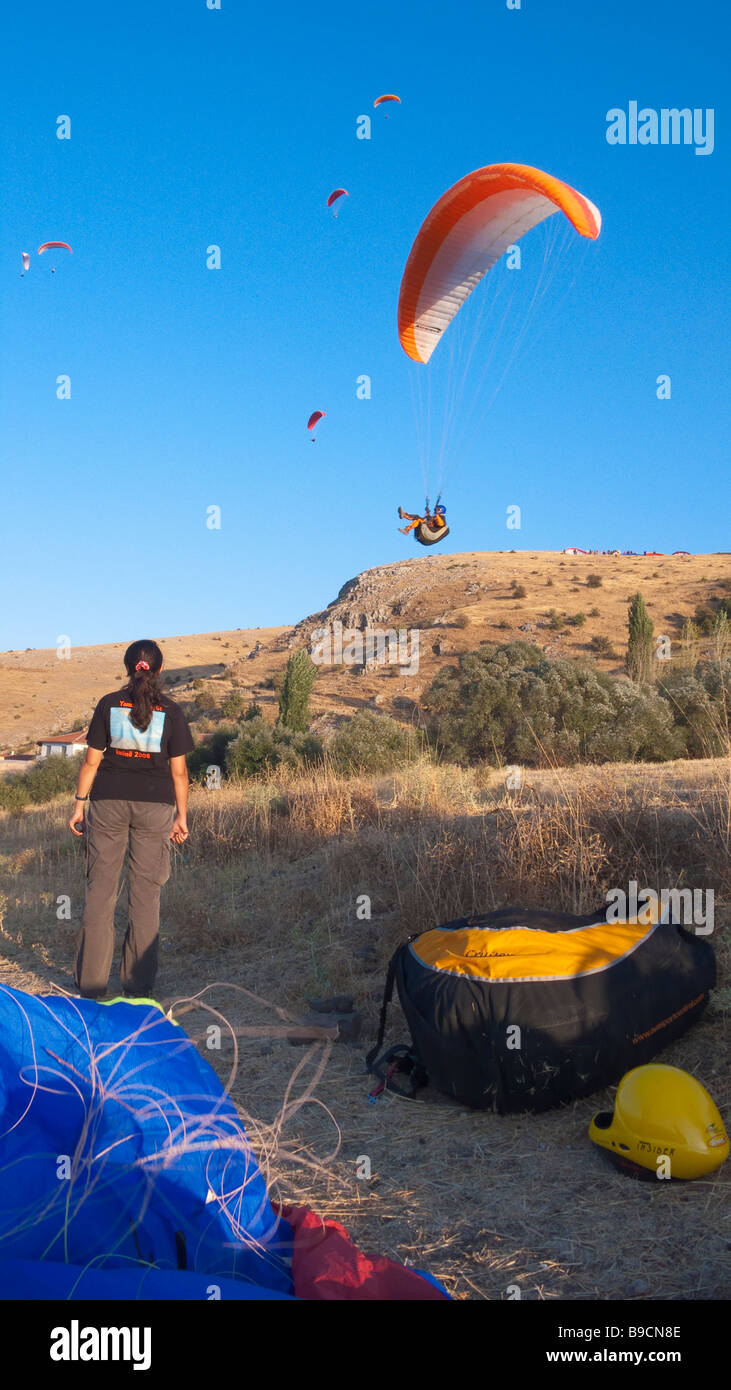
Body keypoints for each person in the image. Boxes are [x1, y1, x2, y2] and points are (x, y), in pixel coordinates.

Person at [69, 639, 195, 1000]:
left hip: (107, 801)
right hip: (155, 807)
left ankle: (91, 986)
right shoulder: (171, 711)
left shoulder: (109, 704)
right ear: (159, 669)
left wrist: (79, 804)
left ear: (128, 667)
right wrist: (181, 816)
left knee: (100, 890)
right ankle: (138, 987)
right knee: (145, 895)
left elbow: (91, 761)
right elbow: (180, 774)